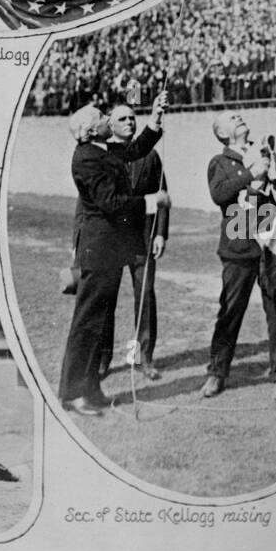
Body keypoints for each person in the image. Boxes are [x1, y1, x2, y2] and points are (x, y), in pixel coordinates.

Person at [57, 105, 167, 417]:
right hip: (99, 250)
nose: (108, 120)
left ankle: (91, 390)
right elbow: (111, 203)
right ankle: (73, 393)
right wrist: (149, 201)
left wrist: (155, 121)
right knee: (87, 323)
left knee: (98, 321)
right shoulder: (87, 158)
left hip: (109, 251)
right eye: (103, 118)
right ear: (91, 129)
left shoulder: (101, 151)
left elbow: (135, 150)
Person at [202, 112, 276, 402]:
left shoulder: (269, 153)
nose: (238, 117)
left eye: (239, 115)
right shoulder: (220, 162)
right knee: (230, 310)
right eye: (231, 118)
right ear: (223, 135)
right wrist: (251, 173)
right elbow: (220, 194)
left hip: (273, 243)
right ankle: (216, 372)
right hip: (239, 245)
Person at [100, 99, 170, 380]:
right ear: (111, 126)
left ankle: (145, 358)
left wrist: (161, 233)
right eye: (123, 119)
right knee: (106, 300)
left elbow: (163, 195)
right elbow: (88, 204)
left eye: (132, 118)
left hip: (143, 238)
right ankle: (102, 361)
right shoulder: (103, 157)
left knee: (145, 298)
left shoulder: (150, 156)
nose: (130, 122)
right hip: (112, 240)